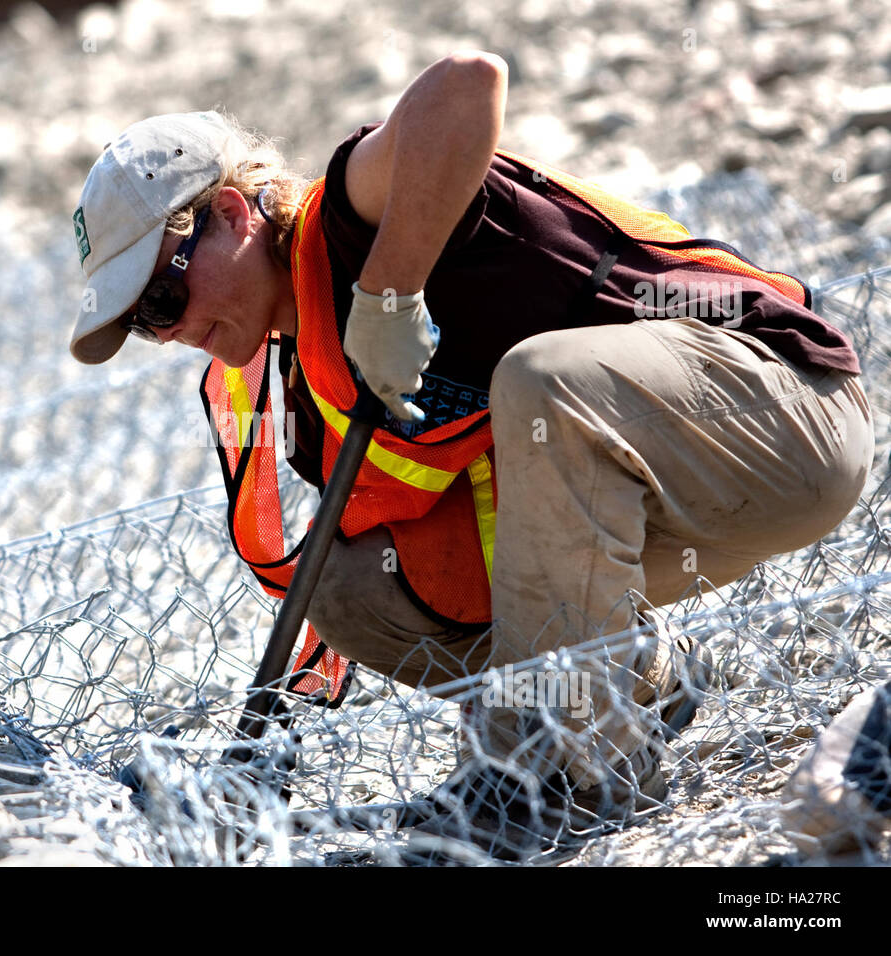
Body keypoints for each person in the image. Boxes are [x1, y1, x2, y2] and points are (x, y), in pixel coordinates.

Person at [68, 52, 875, 857]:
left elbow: (466, 85)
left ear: (237, 216)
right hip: (660, 520)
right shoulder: (302, 396)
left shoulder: (354, 218)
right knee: (347, 582)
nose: (170, 333)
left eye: (165, 297)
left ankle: (572, 768)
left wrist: (389, 293)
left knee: (541, 383)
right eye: (145, 323)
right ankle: (635, 678)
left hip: (779, 418)